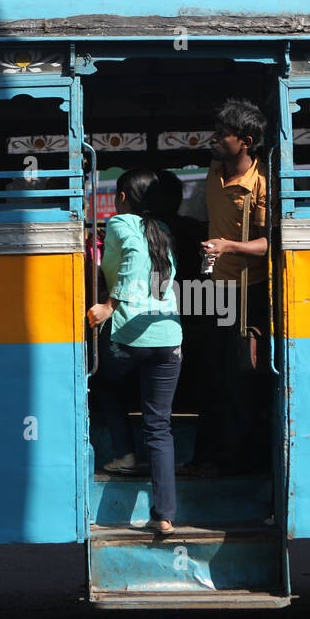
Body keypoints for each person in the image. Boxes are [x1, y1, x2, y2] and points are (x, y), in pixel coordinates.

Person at [87, 168, 183, 534]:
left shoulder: (119, 224)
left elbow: (131, 260)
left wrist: (111, 303)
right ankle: (165, 515)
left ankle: (124, 453)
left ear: (123, 196)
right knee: (159, 427)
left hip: (130, 338)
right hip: (169, 338)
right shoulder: (163, 230)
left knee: (101, 382)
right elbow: (161, 280)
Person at [182, 98, 272, 477]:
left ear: (246, 141)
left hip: (249, 293)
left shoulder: (263, 185)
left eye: (223, 135)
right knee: (210, 376)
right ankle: (206, 458)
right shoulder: (214, 170)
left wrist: (228, 246)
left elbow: (271, 243)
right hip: (214, 291)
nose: (215, 140)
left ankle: (237, 463)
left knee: (240, 379)